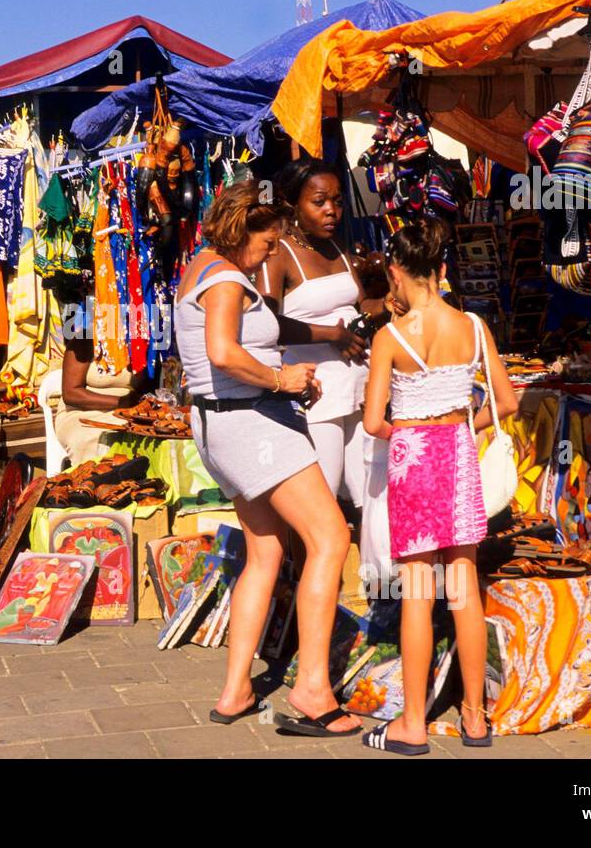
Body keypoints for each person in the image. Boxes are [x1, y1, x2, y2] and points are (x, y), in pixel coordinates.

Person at [173, 180, 361, 738]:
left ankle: (235, 691)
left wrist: (312, 347)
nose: (271, 252)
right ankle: (312, 689)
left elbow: (256, 336)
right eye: (267, 241)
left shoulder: (202, 266)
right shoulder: (229, 279)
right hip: (250, 424)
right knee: (330, 537)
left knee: (266, 549)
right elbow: (224, 352)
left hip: (218, 426)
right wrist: (282, 378)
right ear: (241, 232)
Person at [361, 218, 518, 755]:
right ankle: (475, 719)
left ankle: (411, 724)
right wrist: (459, 426)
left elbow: (372, 421)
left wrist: (410, 432)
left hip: (412, 461)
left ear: (396, 272)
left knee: (417, 595)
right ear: (443, 270)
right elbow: (508, 402)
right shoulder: (473, 326)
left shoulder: (389, 337)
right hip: (457, 456)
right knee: (464, 589)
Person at [262, 159, 375, 508]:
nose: (331, 211)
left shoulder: (337, 246)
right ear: (295, 204)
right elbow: (267, 324)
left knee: (369, 492)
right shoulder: (278, 253)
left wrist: (390, 305)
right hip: (318, 392)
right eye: (320, 201)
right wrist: (332, 335)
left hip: (358, 386)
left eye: (338, 201)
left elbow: (359, 304)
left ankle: (371, 563)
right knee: (325, 493)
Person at [52, 334, 143, 467]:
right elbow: (71, 393)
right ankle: (92, 480)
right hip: (80, 413)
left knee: (140, 433)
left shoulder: (140, 342)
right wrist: (121, 402)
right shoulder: (84, 340)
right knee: (96, 437)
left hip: (126, 412)